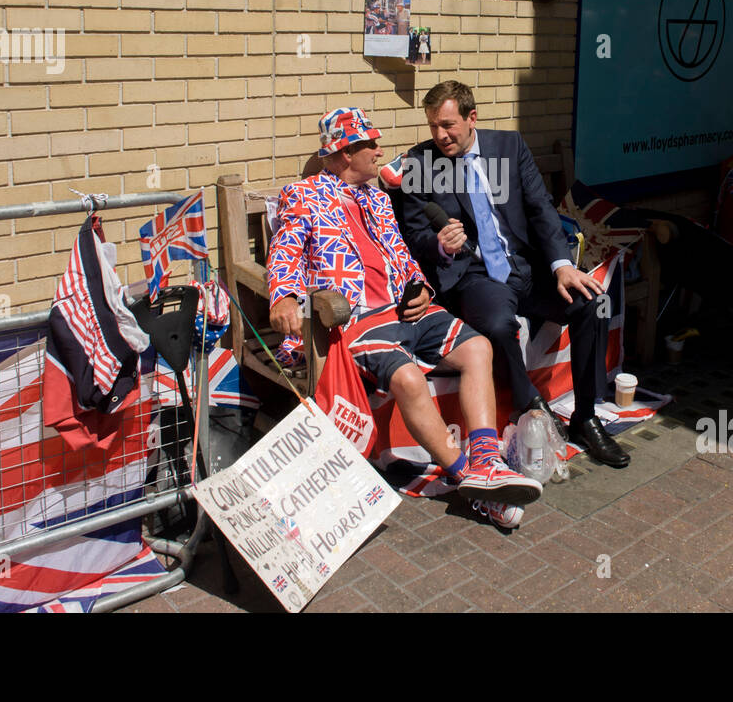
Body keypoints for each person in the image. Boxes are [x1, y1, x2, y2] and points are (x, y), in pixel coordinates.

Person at [266, 106, 541, 528]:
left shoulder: (377, 198)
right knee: (409, 378)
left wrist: (423, 288)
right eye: (370, 145)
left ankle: (487, 458)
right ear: (344, 154)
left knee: (478, 347)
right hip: (353, 321)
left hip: (408, 311)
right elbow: (283, 253)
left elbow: (403, 256)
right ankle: (469, 476)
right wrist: (284, 298)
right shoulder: (303, 196)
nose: (379, 151)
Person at [394, 81, 631, 468]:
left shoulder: (509, 147)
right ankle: (532, 406)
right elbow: (412, 232)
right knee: (498, 324)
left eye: (448, 125)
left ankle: (586, 416)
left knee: (592, 303)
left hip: (524, 264)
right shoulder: (421, 164)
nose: (440, 135)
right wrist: (440, 243)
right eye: (433, 125)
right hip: (474, 274)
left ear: (472, 118)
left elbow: (540, 209)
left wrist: (562, 265)